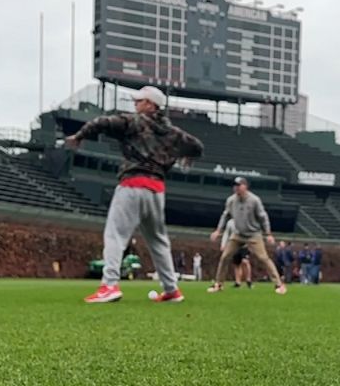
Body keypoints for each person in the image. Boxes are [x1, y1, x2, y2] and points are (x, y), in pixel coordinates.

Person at [66, 85, 204, 304]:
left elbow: (102, 123)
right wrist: (187, 157)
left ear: (150, 104)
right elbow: (197, 147)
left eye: (139, 101)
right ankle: (171, 290)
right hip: (157, 191)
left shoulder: (134, 121)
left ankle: (109, 285)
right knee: (159, 242)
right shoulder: (173, 132)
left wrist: (79, 136)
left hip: (132, 184)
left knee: (115, 235)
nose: (135, 104)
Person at [208, 178, 286, 294]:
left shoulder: (254, 200)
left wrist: (268, 234)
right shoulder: (231, 200)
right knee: (225, 257)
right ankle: (218, 284)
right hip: (238, 234)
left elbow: (263, 217)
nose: (236, 188)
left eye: (239, 185)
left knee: (263, 258)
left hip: (253, 234)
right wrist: (218, 230)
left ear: (245, 186)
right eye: (235, 185)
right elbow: (225, 215)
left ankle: (279, 285)